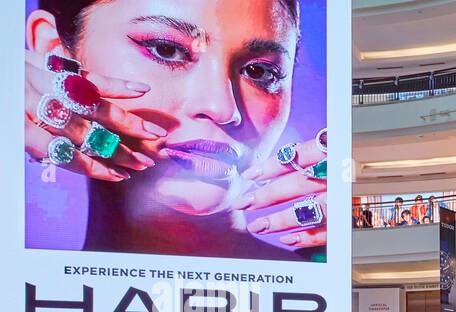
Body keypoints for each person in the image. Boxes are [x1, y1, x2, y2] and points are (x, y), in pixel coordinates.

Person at [25, 0, 326, 261]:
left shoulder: (325, 280)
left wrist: (365, 225)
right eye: (166, 50)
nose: (222, 108)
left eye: (259, 71)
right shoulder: (21, 292)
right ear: (55, 54)